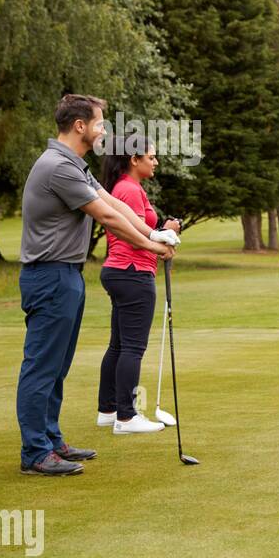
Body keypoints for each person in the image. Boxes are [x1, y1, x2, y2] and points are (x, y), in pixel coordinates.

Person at [16, 95, 178, 476]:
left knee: (57, 367)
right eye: (100, 124)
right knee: (42, 367)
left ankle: (52, 441)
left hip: (66, 275)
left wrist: (155, 232)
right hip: (49, 276)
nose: (104, 130)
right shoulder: (58, 167)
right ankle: (35, 452)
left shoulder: (75, 165)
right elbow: (107, 216)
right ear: (79, 126)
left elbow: (114, 204)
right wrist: (154, 246)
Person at [96, 134, 182, 434]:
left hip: (120, 271)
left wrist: (162, 231)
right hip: (133, 272)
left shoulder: (124, 188)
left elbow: (138, 230)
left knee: (119, 345)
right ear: (134, 160)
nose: (155, 161)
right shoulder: (129, 190)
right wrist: (166, 231)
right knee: (132, 347)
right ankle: (126, 417)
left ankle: (108, 411)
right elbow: (132, 234)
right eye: (151, 156)